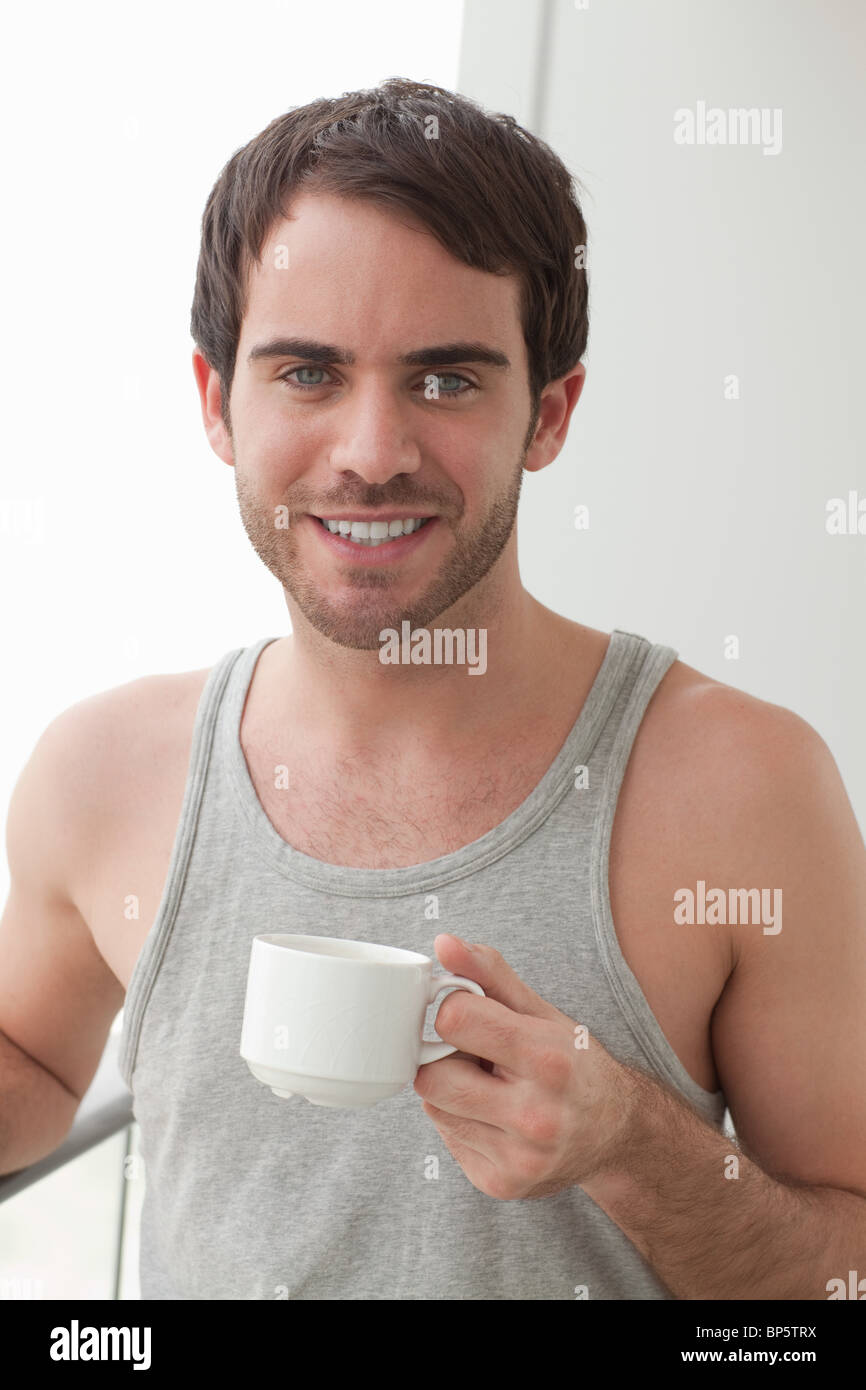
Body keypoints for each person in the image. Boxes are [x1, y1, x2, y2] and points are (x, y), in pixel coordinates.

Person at [1, 78, 864, 1301]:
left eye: (446, 380)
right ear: (216, 405)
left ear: (547, 414)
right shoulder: (97, 773)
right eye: (305, 372)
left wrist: (628, 1147)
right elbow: (33, 1058)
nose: (368, 452)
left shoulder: (746, 789)